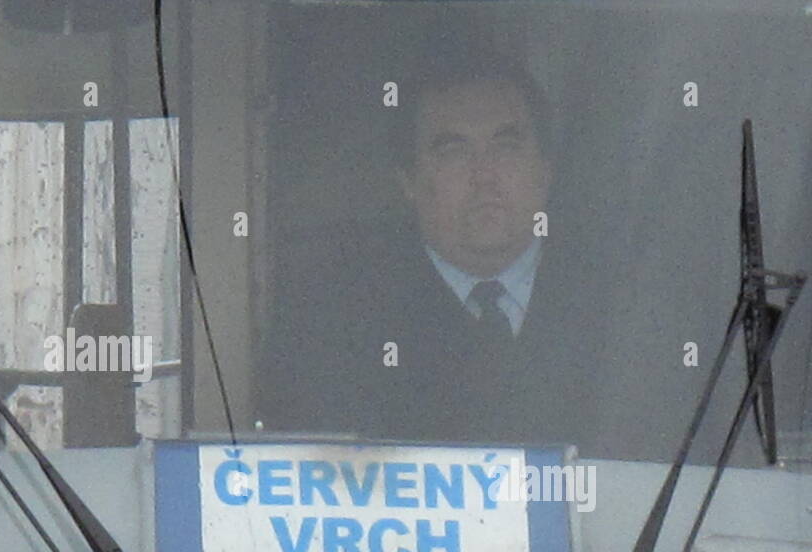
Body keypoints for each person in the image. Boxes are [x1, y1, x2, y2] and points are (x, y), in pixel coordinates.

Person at [257, 49, 608, 450]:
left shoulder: (620, 305)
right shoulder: (333, 322)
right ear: (408, 181)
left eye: (506, 147)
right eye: (453, 151)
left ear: (546, 169)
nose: (484, 176)